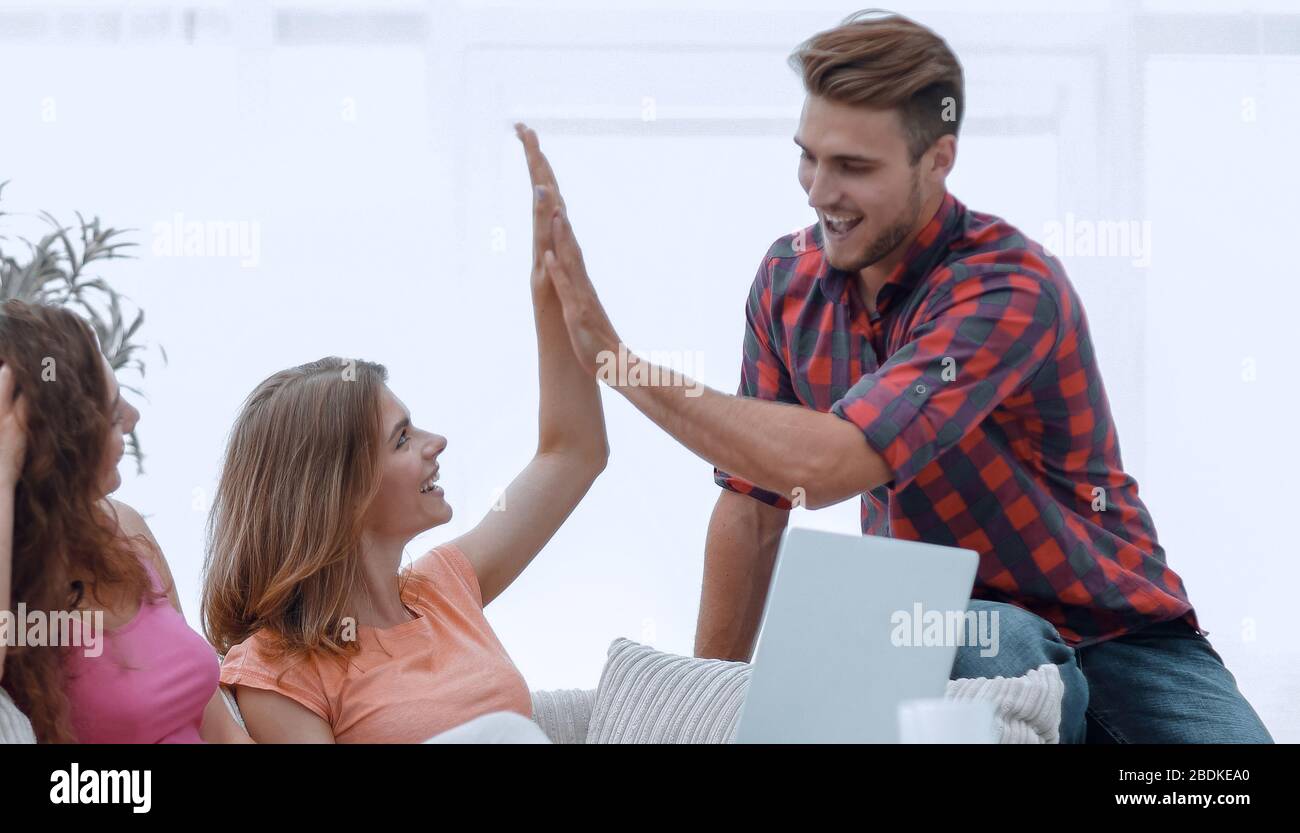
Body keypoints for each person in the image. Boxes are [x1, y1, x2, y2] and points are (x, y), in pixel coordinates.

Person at [531, 11, 1272, 743]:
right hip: (932, 621)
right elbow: (756, 506)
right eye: (809, 156)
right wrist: (697, 712)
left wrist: (615, 360)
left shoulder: (1004, 285)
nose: (819, 190)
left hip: (1122, 630)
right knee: (1007, 641)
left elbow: (824, 465)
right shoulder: (787, 285)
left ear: (938, 159)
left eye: (853, 166)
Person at [203, 125, 605, 743]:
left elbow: (573, 453)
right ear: (336, 492)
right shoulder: (276, 668)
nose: (435, 443)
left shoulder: (446, 587)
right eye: (401, 438)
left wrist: (551, 295)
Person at [0, 299, 249, 743]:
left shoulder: (126, 530)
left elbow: (225, 733)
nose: (133, 420)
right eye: (113, 413)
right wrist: (3, 479)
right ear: (52, 441)